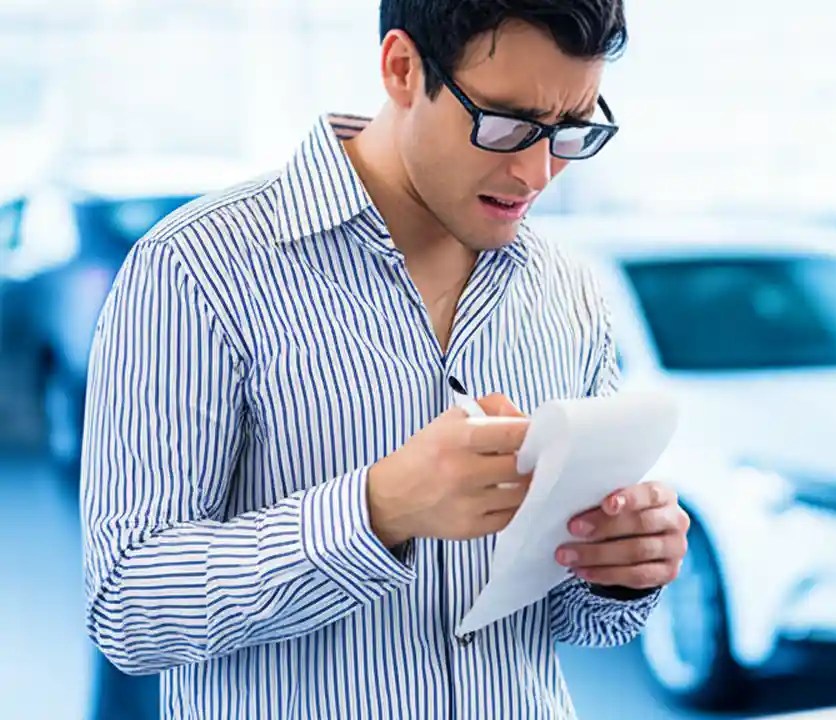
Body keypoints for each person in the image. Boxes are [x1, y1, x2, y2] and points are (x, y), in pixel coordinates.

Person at [80, 1, 690, 717]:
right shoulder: (196, 270)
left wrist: (621, 568)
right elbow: (126, 609)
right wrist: (376, 510)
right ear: (402, 68)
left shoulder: (571, 293)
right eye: (506, 124)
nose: (538, 172)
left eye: (568, 130)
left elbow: (569, 625)